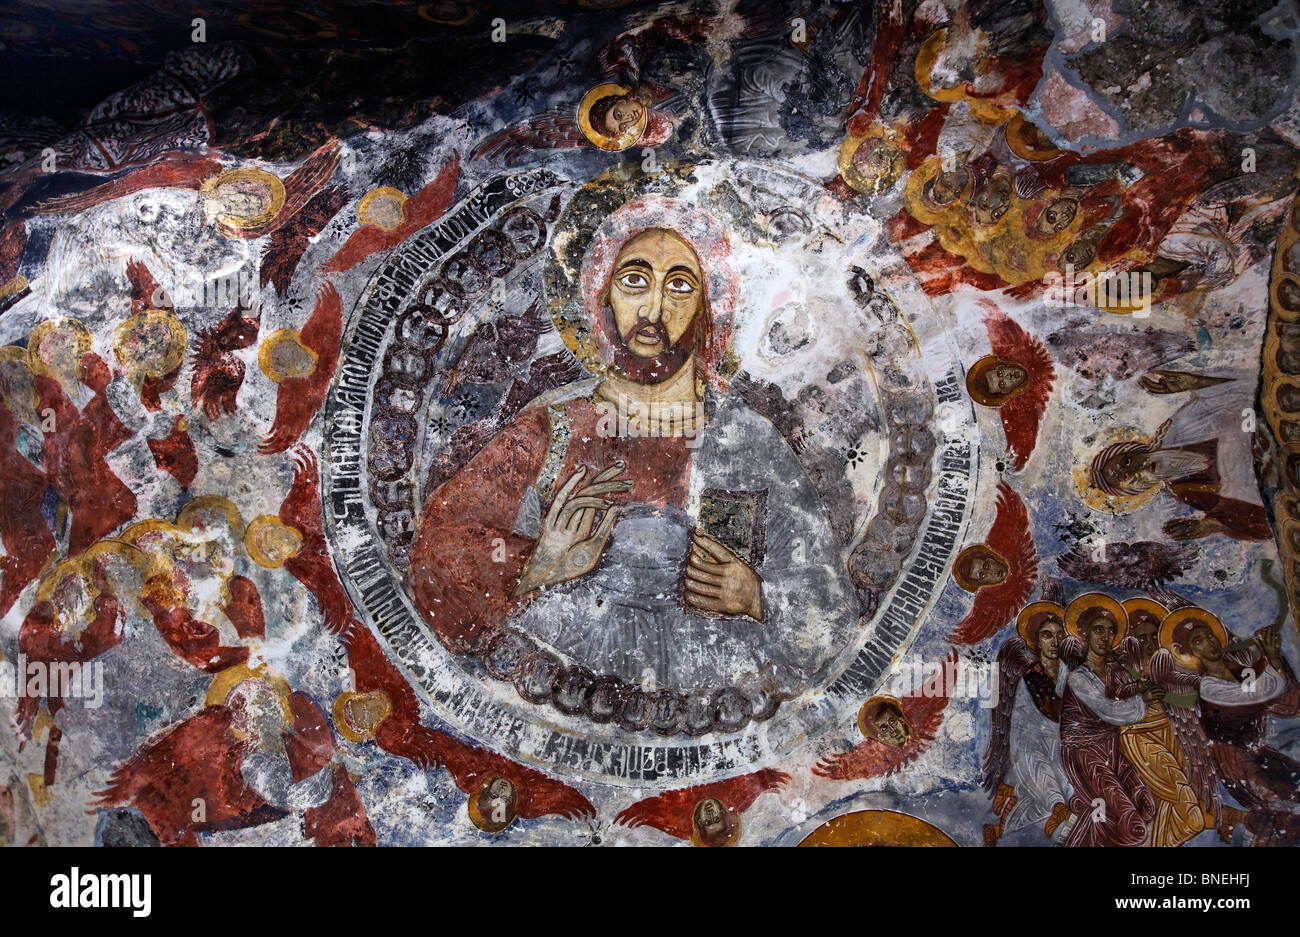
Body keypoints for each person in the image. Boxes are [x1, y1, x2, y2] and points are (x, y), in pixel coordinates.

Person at [410, 197, 855, 698]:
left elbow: (832, 617)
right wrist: (540, 561)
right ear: (602, 301)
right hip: (576, 683)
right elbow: (438, 558)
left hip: (709, 694)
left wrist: (758, 597)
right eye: (634, 281)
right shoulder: (552, 426)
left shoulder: (742, 441)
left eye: (680, 287)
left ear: (710, 312)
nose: (652, 308)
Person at [1058, 594, 1158, 846]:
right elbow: (1108, 709)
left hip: (1111, 750)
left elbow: (1128, 691)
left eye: (1110, 631)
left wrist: (1141, 688)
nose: (1104, 637)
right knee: (1130, 821)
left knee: (1146, 805)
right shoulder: (1079, 677)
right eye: (1098, 630)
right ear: (1086, 635)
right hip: (1084, 753)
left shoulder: (1115, 670)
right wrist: (1142, 699)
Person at [983, 602, 1075, 844]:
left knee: (1072, 774)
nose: (1054, 642)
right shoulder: (1031, 677)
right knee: (1041, 768)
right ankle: (1058, 810)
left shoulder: (1070, 675)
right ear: (1037, 641)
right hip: (1029, 743)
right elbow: (1024, 725)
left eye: (1059, 636)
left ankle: (1009, 821)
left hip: (1062, 743)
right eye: (1047, 636)